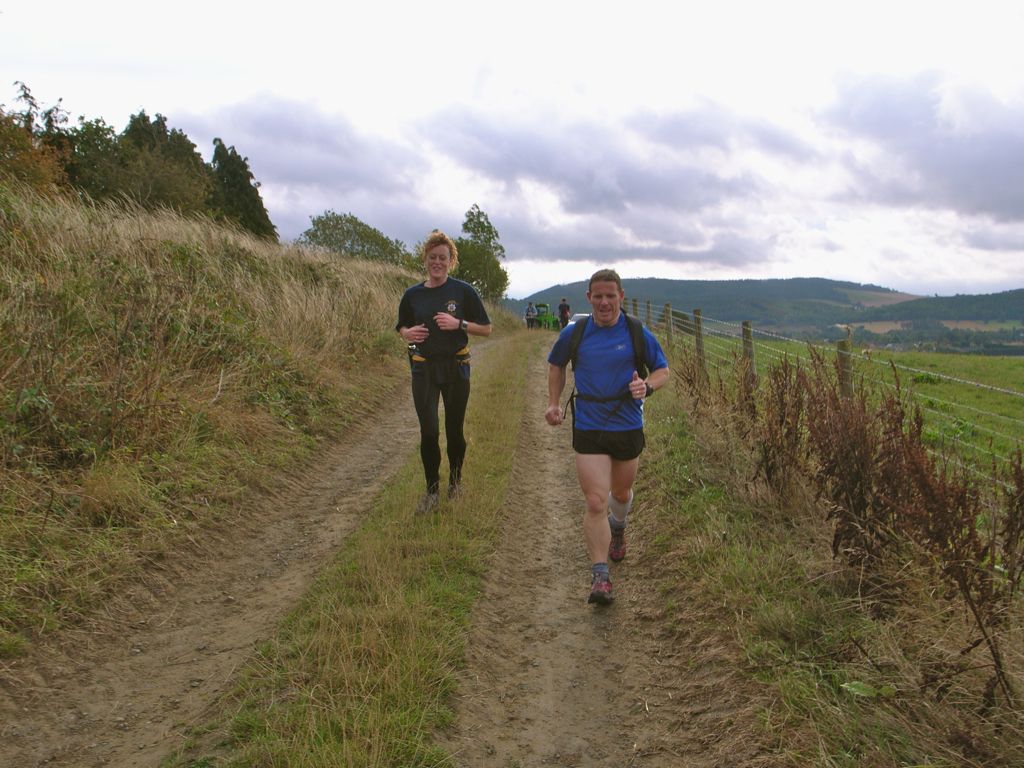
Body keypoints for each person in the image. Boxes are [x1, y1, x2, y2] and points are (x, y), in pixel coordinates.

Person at [545, 269, 669, 605]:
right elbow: (556, 365)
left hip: (627, 424)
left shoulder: (636, 332)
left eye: (610, 296)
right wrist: (554, 403)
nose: (604, 302)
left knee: (621, 493)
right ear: (588, 298)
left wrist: (648, 386)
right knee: (595, 500)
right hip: (589, 424)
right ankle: (600, 576)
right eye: (597, 296)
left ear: (621, 297)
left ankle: (619, 526)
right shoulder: (575, 332)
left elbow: (662, 369)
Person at [397, 230, 492, 513]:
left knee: (454, 430)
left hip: (456, 367)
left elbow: (486, 329)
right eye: (432, 257)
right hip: (423, 369)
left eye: (443, 258)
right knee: (428, 432)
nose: (437, 262)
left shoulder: (463, 291)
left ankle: (455, 482)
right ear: (425, 260)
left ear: (451, 261)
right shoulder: (412, 295)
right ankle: (431, 492)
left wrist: (458, 324)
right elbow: (401, 326)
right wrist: (407, 332)